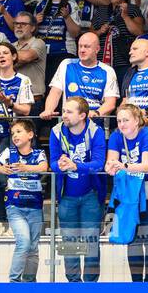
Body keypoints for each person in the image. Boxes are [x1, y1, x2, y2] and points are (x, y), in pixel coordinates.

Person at [49, 95, 107, 283]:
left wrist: (76, 166)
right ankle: (73, 283)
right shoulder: (56, 131)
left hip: (91, 195)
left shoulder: (95, 131)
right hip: (66, 196)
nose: (64, 114)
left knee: (91, 242)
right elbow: (52, 163)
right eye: (64, 110)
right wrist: (61, 165)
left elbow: (99, 163)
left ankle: (90, 284)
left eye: (69, 111)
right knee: (69, 242)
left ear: (82, 115)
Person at [0, 42, 36, 237]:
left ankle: (14, 221)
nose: (1, 56)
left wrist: (8, 102)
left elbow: (27, 110)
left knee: (9, 177)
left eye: (5, 53)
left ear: (14, 56)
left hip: (11, 133)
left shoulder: (23, 80)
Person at [106, 103, 148, 282]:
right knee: (133, 237)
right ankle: (136, 283)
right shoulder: (116, 136)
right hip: (127, 193)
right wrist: (111, 167)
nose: (122, 124)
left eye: (126, 120)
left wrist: (123, 166)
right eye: (119, 120)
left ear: (137, 120)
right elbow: (110, 163)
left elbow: (145, 166)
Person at [0, 118, 50, 282]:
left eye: (19, 132)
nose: (15, 136)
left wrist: (25, 168)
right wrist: (3, 168)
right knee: (23, 242)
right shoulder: (9, 152)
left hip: (35, 207)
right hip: (14, 206)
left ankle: (29, 282)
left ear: (30, 135)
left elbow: (44, 167)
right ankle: (14, 281)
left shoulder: (39, 153)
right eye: (12, 133)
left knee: (33, 247)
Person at [41, 31, 120, 119]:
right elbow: (55, 92)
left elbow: (110, 103)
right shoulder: (66, 64)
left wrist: (97, 113)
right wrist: (48, 109)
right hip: (69, 120)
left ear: (97, 49)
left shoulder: (107, 70)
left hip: (94, 122)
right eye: (80, 46)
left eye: (87, 47)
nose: (82, 50)